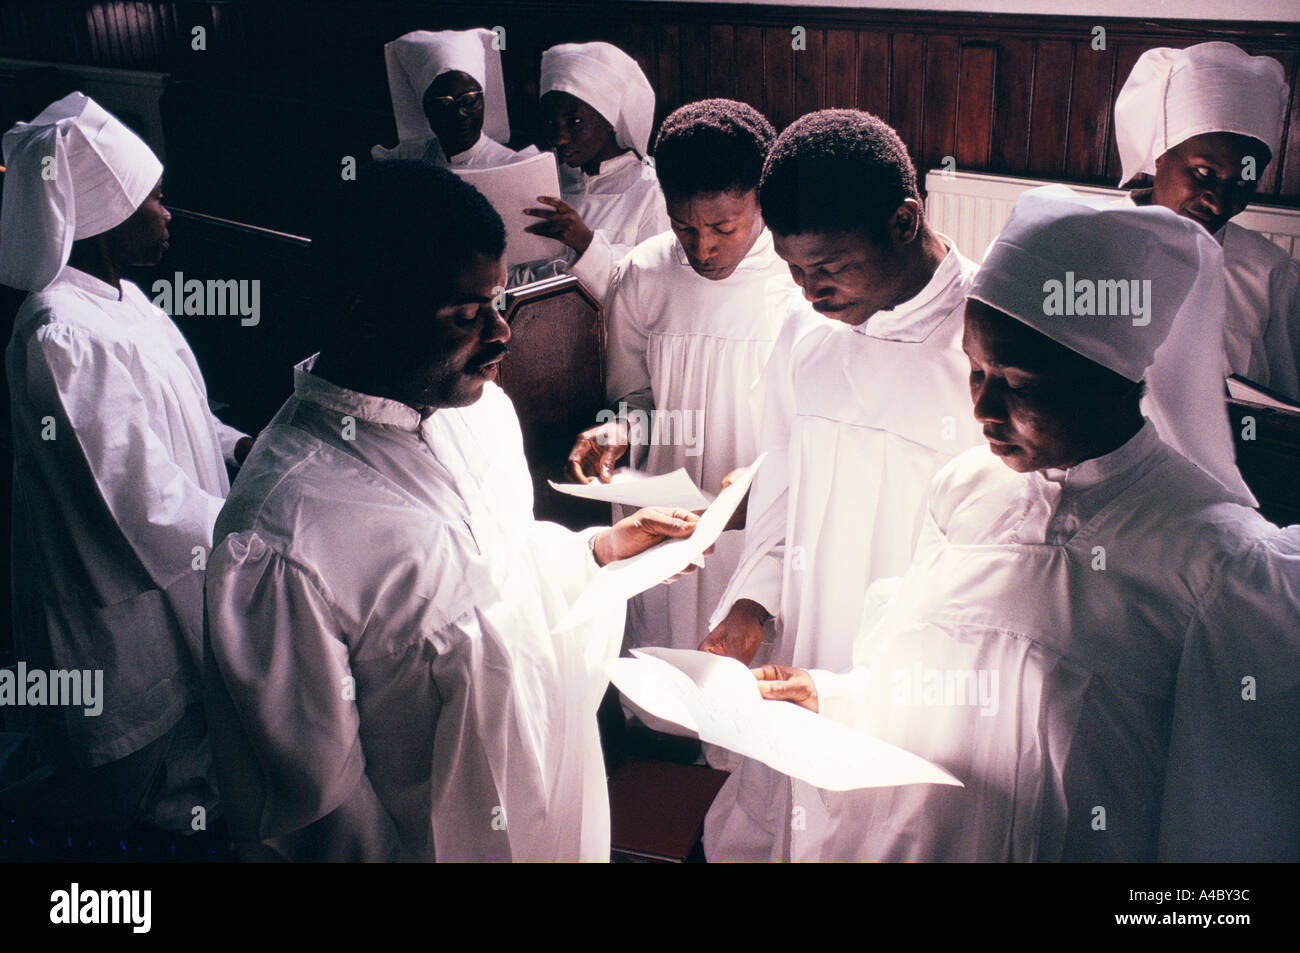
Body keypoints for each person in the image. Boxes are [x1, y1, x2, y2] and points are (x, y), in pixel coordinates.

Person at [737, 187, 1294, 862]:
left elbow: (1224, 829)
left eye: (1021, 384)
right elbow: (922, 688)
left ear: (1113, 381)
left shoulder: (1217, 567)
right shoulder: (967, 491)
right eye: (974, 370)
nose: (984, 409)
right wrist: (829, 694)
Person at [202, 160, 699, 862]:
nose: (502, 333)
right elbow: (317, 816)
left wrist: (598, 552)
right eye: (468, 314)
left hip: (554, 815)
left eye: (497, 302)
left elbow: (502, 569)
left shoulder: (479, 411)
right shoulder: (284, 536)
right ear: (365, 310)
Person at [1, 92, 250, 833]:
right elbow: (138, 504)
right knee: (140, 806)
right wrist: (255, 525)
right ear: (105, 215)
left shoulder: (128, 301)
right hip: (123, 627)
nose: (168, 216)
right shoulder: (58, 332)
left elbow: (186, 419)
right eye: (156, 201)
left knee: (193, 779)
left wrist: (246, 448)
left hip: (184, 586)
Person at [701, 110, 984, 672]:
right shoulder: (804, 330)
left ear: (903, 222)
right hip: (811, 638)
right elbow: (780, 475)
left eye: (830, 267)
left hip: (928, 660)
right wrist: (752, 601)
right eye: (795, 270)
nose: (810, 293)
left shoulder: (987, 344)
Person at [568, 98, 791, 653]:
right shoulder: (645, 271)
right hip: (667, 499)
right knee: (665, 649)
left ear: (761, 202)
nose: (704, 248)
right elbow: (637, 395)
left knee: (746, 662)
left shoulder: (796, 279)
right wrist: (620, 429)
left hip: (760, 504)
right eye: (684, 228)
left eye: (724, 227)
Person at [1115, 40, 1300, 400]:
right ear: (1160, 155)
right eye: (1203, 172)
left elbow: (1283, 406)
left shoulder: (1269, 273)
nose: (1218, 204)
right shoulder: (1084, 244)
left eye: (1242, 182)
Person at [514, 41, 670, 300]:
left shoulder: (650, 189)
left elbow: (656, 286)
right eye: (550, 122)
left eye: (575, 122)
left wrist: (586, 244)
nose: (559, 138)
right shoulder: (544, 181)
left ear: (609, 120)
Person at [371, 29, 535, 169]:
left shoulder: (511, 165)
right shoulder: (406, 159)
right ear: (426, 109)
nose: (458, 114)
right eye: (444, 103)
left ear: (483, 100)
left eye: (469, 100)